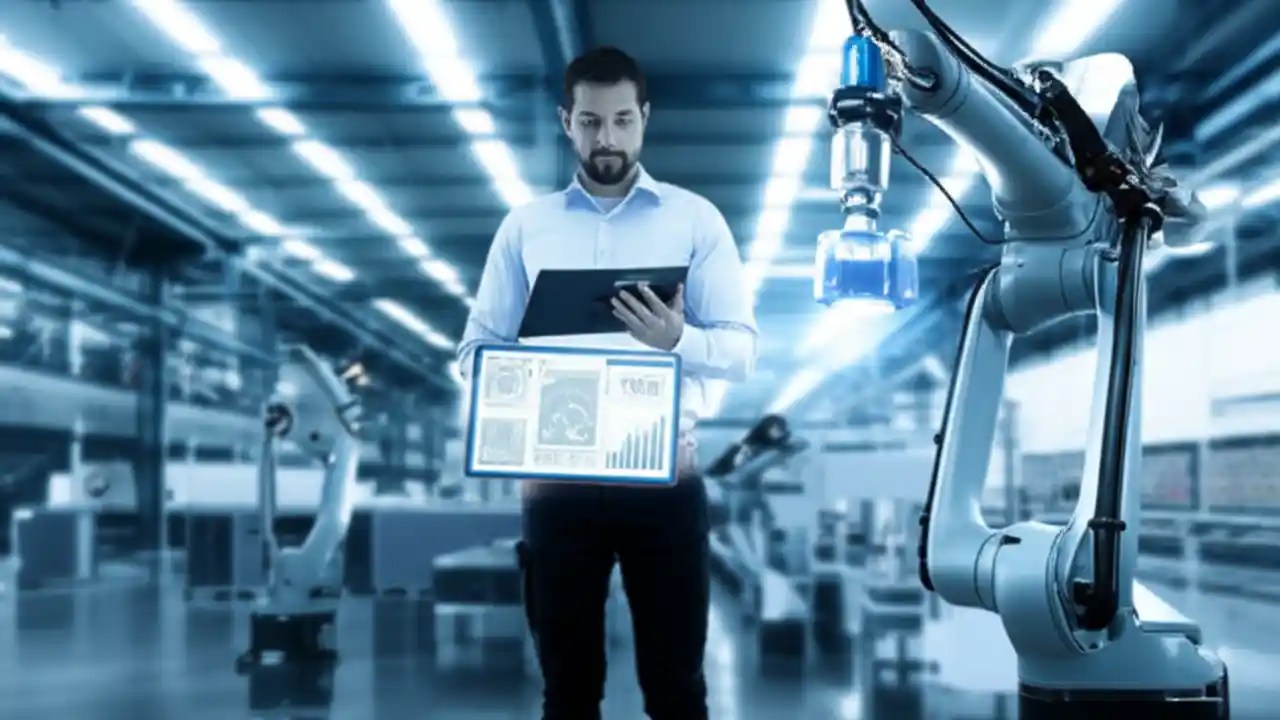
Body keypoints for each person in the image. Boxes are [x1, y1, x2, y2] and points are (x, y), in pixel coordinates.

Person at [457, 46, 758, 720]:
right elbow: (474, 348)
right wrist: (524, 375)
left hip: (666, 482)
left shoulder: (695, 221)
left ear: (644, 119)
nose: (607, 139)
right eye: (591, 122)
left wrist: (675, 339)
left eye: (623, 120)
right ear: (567, 121)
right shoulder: (525, 228)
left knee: (678, 690)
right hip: (556, 487)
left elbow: (741, 353)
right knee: (567, 693)